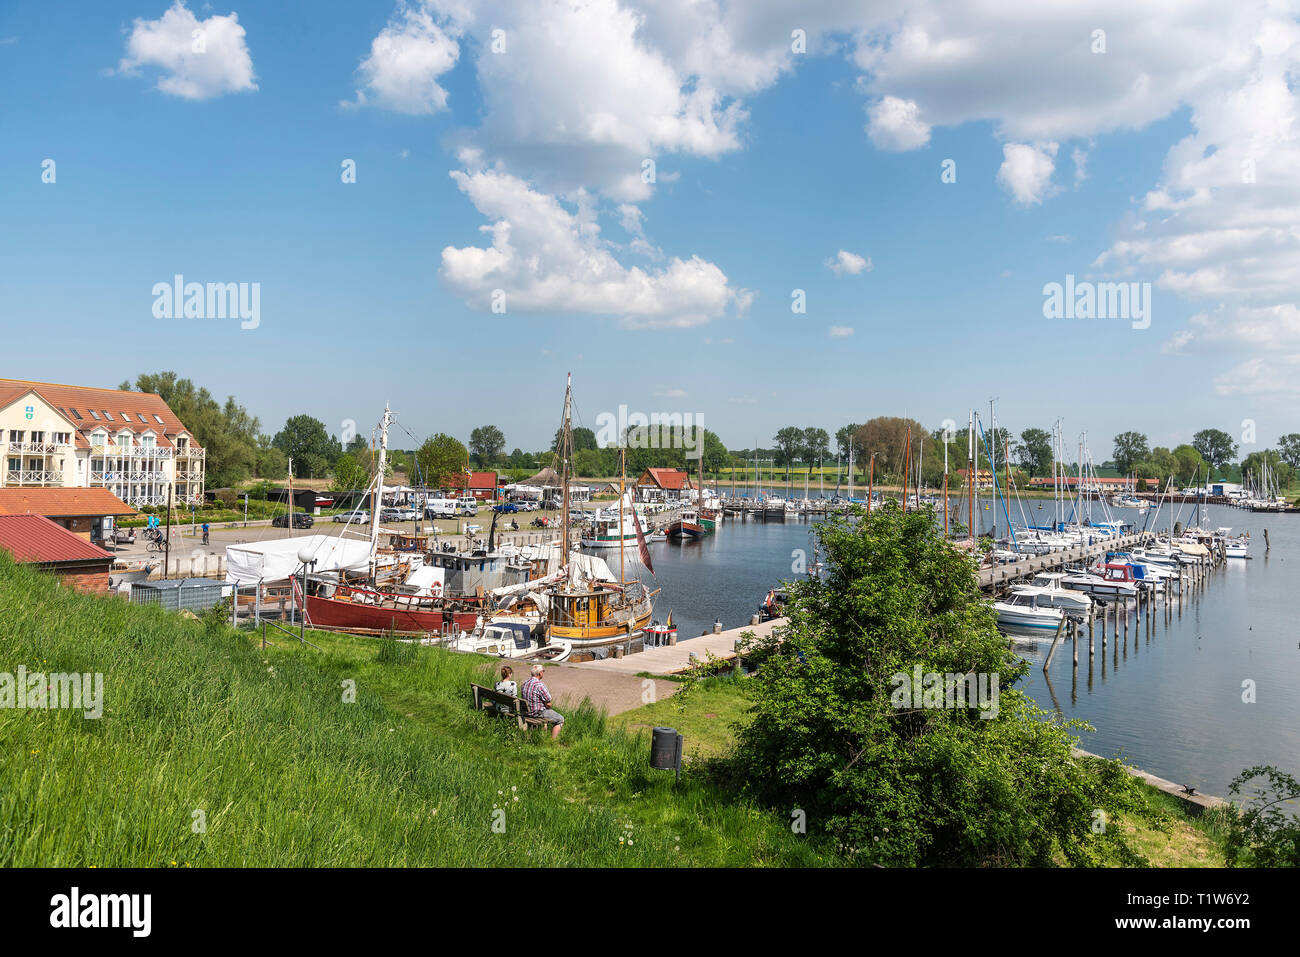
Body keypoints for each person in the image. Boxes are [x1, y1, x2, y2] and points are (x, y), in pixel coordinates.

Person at [520, 664, 564, 740]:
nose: (543, 672)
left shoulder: (525, 683)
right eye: (543, 671)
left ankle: (542, 733)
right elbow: (548, 703)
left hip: (526, 712)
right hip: (537, 713)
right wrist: (547, 706)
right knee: (560, 719)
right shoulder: (540, 685)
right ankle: (552, 741)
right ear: (540, 673)